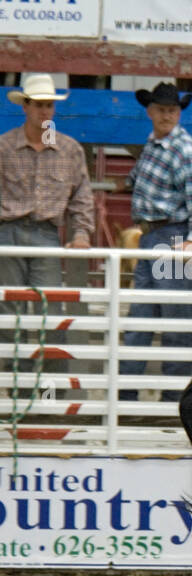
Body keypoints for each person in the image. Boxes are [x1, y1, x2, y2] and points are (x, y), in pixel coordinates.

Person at [112, 82, 192, 403]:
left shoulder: (183, 148)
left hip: (169, 236)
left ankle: (168, 400)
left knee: (169, 318)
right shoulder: (157, 145)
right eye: (161, 109)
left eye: (172, 110)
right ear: (150, 111)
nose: (167, 115)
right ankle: (133, 397)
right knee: (144, 316)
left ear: (178, 112)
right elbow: (148, 180)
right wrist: (125, 183)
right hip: (152, 235)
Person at [0, 74, 95, 372]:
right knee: (7, 310)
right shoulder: (3, 148)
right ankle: (14, 386)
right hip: (8, 232)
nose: (45, 112)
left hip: (46, 234)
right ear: (25, 106)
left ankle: (50, 391)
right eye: (39, 105)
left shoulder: (70, 150)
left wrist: (81, 234)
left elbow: (82, 197)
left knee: (51, 310)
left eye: (49, 106)